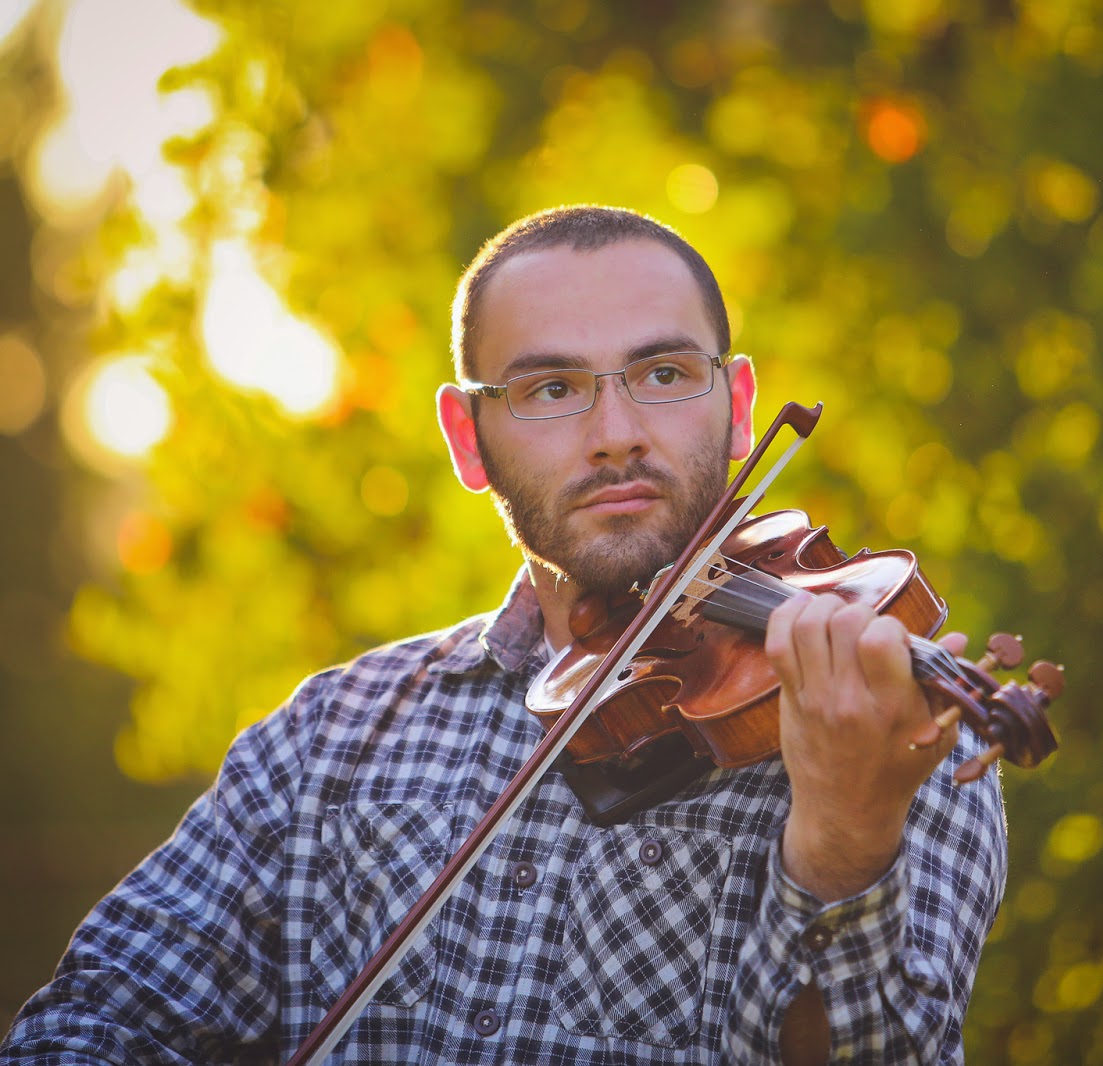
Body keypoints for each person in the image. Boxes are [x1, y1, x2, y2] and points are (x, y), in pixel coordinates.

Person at [2, 206, 1007, 1063]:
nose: (616, 429)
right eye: (551, 388)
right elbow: (95, 1020)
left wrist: (841, 837)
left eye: (661, 373)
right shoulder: (327, 740)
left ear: (737, 407)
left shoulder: (901, 726)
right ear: (465, 437)